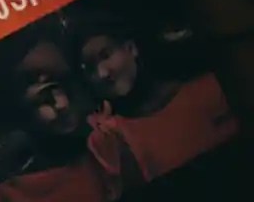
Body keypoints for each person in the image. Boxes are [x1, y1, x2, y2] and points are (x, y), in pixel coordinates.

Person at [72, 20, 240, 188]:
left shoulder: (206, 88)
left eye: (106, 55)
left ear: (131, 48)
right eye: (90, 69)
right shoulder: (113, 136)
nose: (102, 73)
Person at [0, 36, 121, 202]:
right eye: (45, 99)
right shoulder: (3, 192)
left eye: (65, 88)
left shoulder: (113, 146)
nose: (62, 104)